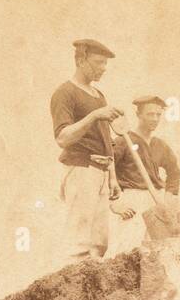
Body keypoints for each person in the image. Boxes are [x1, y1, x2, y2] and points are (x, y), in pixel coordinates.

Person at [49, 38, 126, 259]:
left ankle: (93, 292)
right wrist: (94, 116)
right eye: (98, 62)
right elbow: (62, 138)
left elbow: (105, 138)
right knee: (79, 241)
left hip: (101, 173)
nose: (103, 68)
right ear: (81, 60)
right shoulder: (65, 92)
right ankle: (75, 291)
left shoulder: (99, 96)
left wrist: (112, 177)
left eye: (105, 64)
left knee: (99, 243)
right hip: (81, 169)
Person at [110, 95, 180, 252]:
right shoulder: (122, 141)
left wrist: (169, 196)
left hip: (157, 201)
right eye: (150, 114)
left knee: (162, 250)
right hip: (132, 200)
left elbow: (174, 172)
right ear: (138, 114)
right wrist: (115, 204)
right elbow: (107, 173)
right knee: (128, 249)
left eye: (158, 115)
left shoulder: (160, 145)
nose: (155, 119)